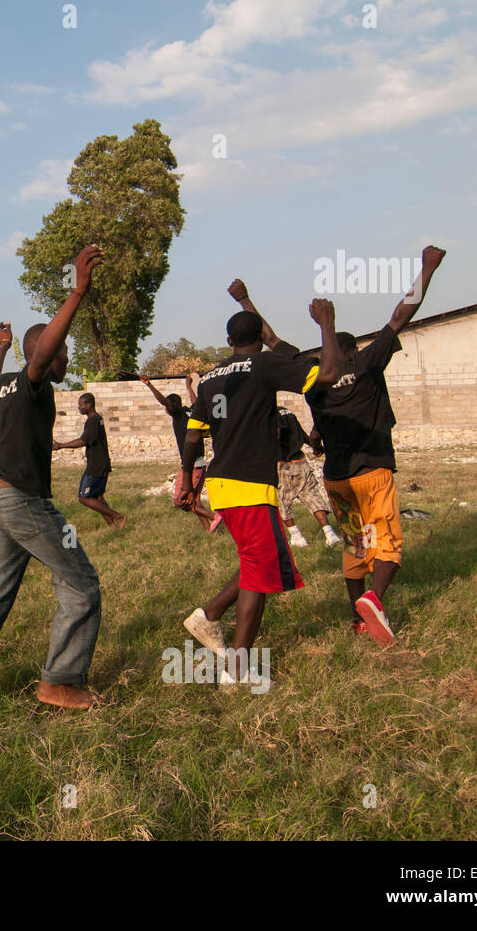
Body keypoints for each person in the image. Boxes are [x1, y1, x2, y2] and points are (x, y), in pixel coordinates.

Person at [0, 244, 105, 711]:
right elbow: (42, 354)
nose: (66, 360)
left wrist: (2, 346)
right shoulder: (33, 380)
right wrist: (77, 292)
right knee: (81, 583)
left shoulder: (7, 381)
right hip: (22, 503)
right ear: (46, 356)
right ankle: (59, 681)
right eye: (63, 353)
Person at [177, 282, 340, 687]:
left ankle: (209, 616)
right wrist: (327, 324)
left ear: (229, 340)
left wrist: (188, 482)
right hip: (249, 484)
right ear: (258, 340)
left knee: (256, 564)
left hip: (222, 485)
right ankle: (236, 666)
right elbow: (330, 373)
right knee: (259, 572)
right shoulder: (265, 366)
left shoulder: (212, 380)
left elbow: (194, 436)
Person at [306, 245, 447, 647]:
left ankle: (358, 620)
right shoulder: (366, 365)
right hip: (373, 472)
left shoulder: (315, 386)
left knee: (356, 544)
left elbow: (271, 340)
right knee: (387, 544)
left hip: (337, 479)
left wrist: (247, 301)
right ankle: (375, 599)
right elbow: (401, 315)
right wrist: (428, 268)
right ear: (352, 351)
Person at [139, 374, 219, 531]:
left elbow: (164, 401)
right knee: (194, 499)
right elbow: (195, 402)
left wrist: (149, 385)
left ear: (172, 407)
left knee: (180, 500)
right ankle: (208, 529)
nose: (166, 408)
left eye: (168, 406)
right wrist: (188, 386)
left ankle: (214, 517)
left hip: (192, 465)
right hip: (199, 463)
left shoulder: (179, 415)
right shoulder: (191, 413)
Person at [52, 393, 125, 527]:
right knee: (98, 498)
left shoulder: (93, 421)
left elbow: (83, 441)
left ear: (89, 404)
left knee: (84, 497)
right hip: (102, 462)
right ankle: (114, 526)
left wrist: (60, 445)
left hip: (96, 465)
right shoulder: (98, 419)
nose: (79, 407)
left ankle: (118, 516)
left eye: (81, 404)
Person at [275, 405, 341, 549]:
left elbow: (277, 432)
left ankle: (297, 536)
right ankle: (330, 534)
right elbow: (302, 434)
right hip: (301, 463)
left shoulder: (271, 414)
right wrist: (316, 447)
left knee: (282, 502)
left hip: (283, 465)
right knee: (312, 497)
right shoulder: (288, 411)